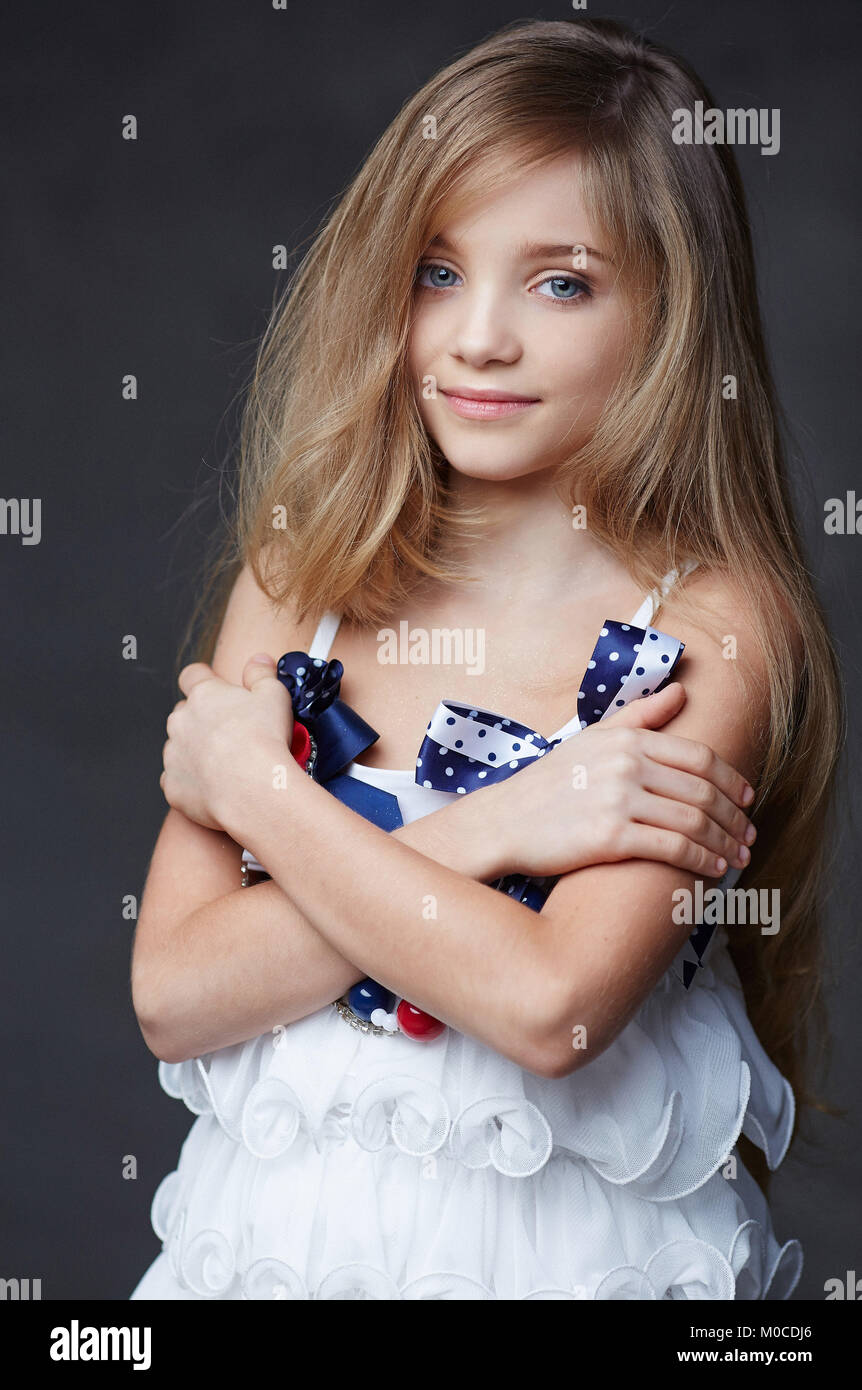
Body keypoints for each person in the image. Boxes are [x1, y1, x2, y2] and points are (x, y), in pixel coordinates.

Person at [129, 16, 842, 1300]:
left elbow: (547, 1010)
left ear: (670, 313)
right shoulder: (304, 586)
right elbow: (178, 995)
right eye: (439, 272)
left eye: (560, 281)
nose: (476, 339)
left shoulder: (713, 630)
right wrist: (504, 822)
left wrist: (263, 799)